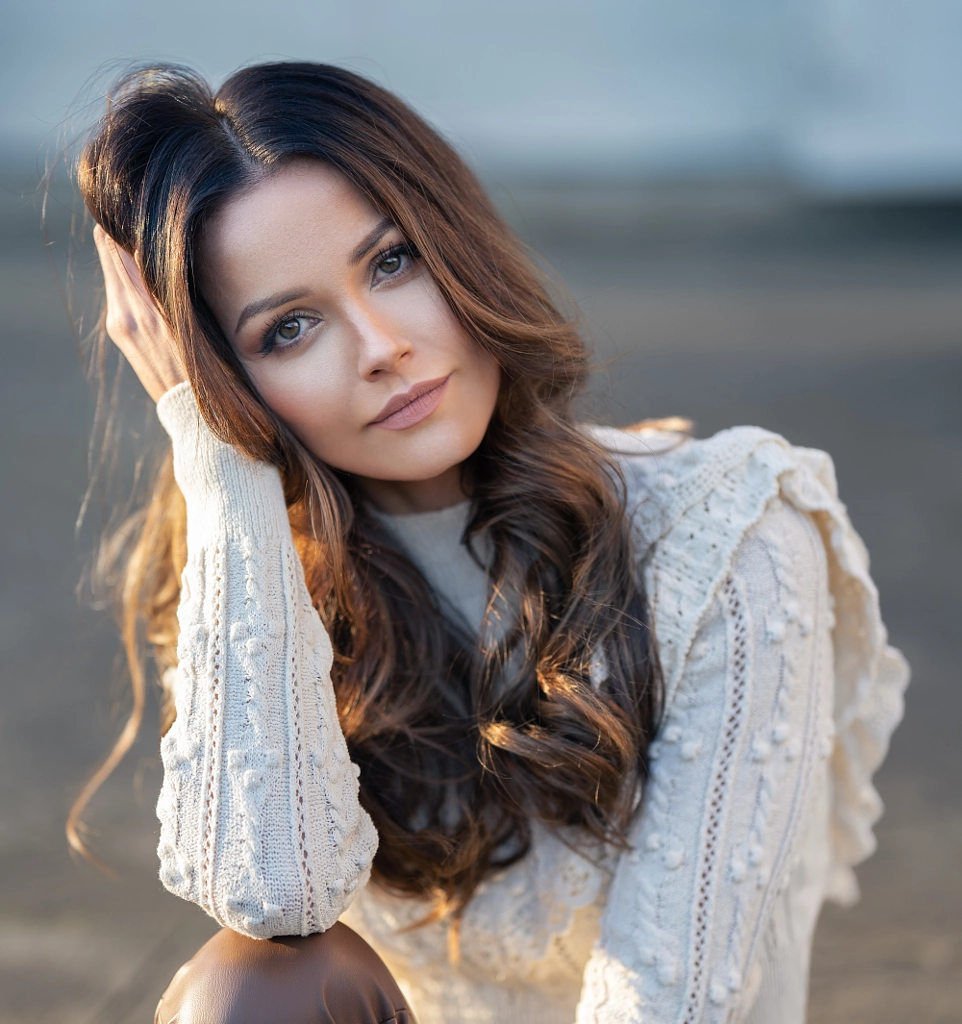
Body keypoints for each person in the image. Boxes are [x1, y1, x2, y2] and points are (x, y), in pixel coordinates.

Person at [74, 61, 908, 1024]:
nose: (381, 344)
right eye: (290, 328)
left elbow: (675, 1004)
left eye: (392, 262)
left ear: (453, 239)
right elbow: (273, 897)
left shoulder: (731, 534)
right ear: (228, 381)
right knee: (255, 983)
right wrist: (219, 470)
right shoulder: (250, 575)